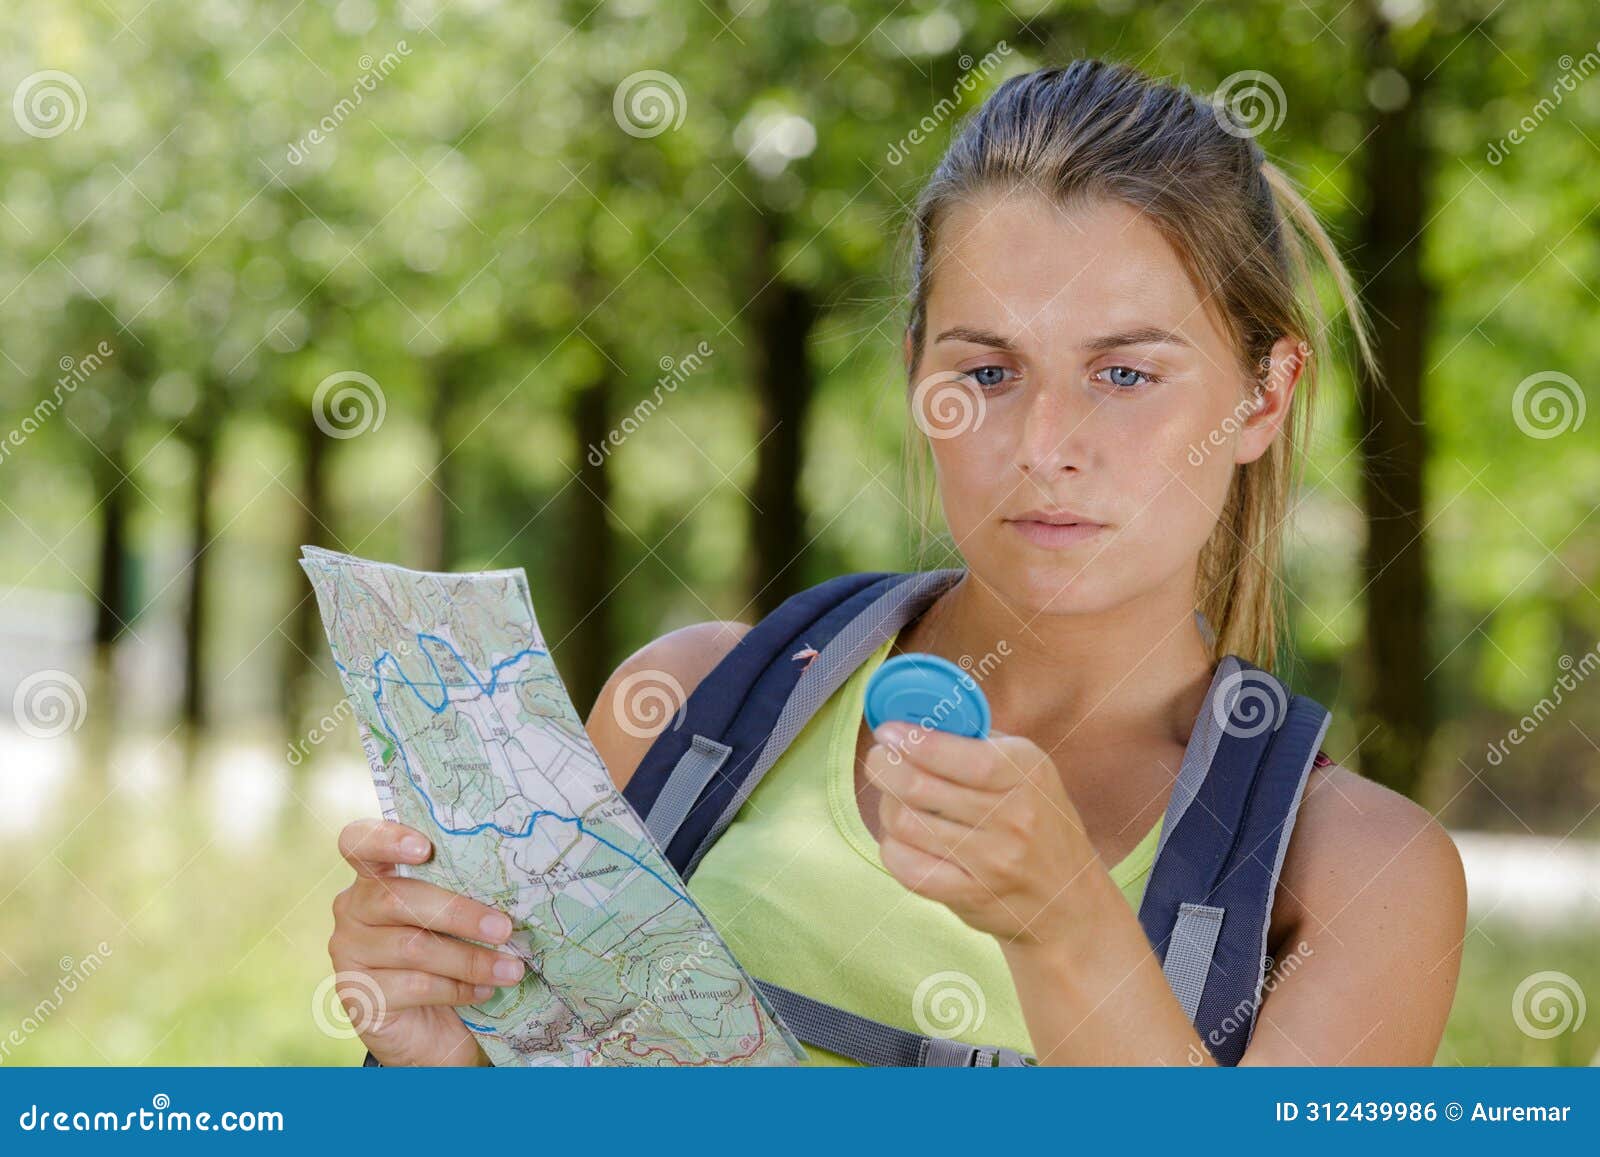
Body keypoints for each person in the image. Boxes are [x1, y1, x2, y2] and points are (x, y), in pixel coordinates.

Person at [327, 58, 1466, 1067]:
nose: (1043, 447)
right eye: (986, 371)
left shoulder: (1365, 874)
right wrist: (437, 1065)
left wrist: (1065, 923)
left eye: (1124, 373)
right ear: (916, 370)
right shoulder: (685, 706)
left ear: (1263, 394)